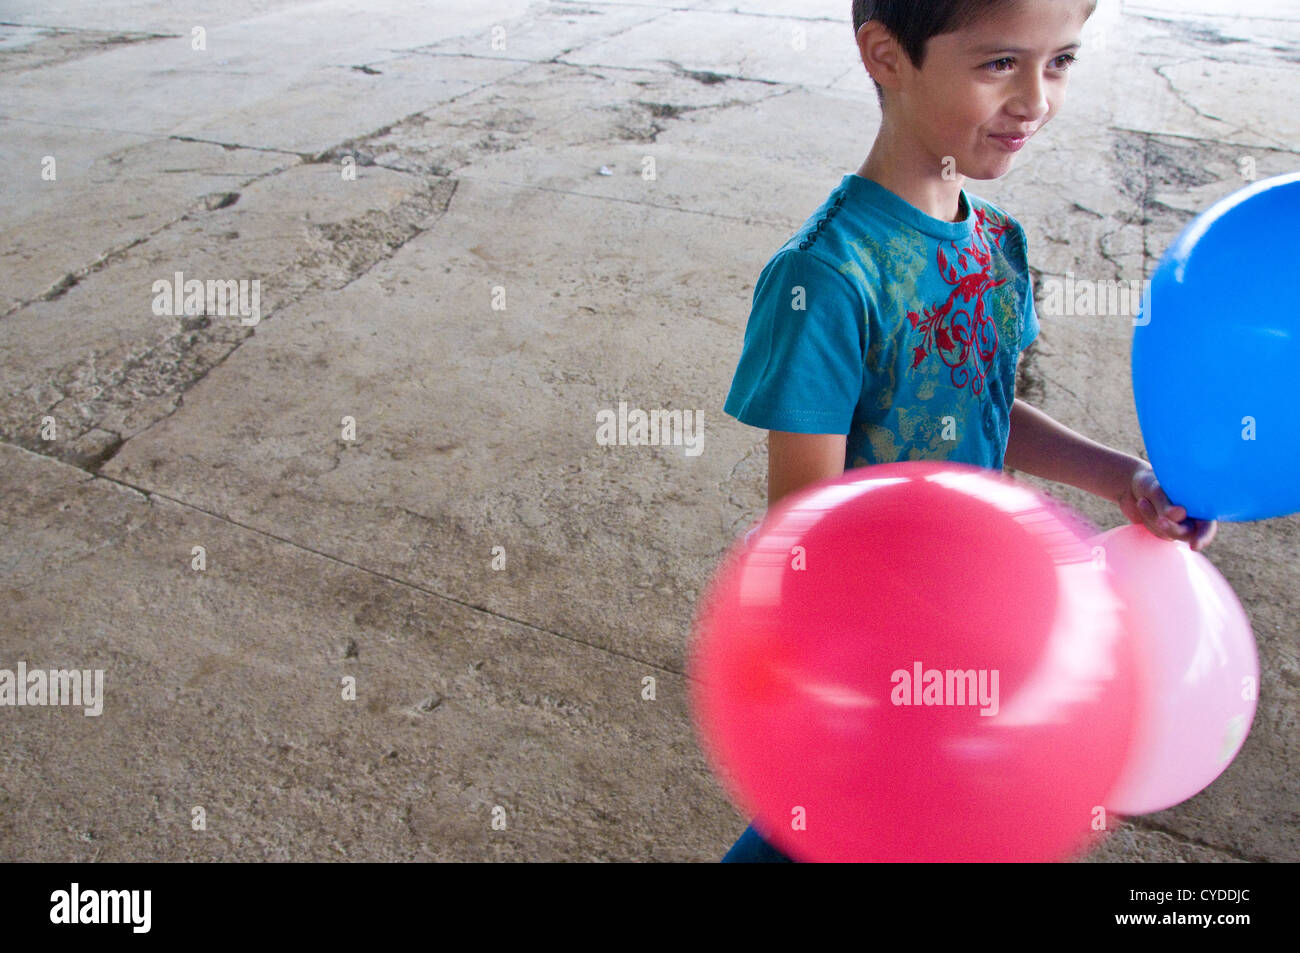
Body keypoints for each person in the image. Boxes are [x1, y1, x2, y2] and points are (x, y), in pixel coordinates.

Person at [718, 0, 1217, 863]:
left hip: (980, 635)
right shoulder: (827, 279)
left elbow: (982, 404)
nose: (1037, 100)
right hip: (877, 659)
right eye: (999, 65)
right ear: (885, 55)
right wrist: (945, 645)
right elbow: (804, 529)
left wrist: (1120, 475)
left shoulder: (997, 244)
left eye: (1060, 61)